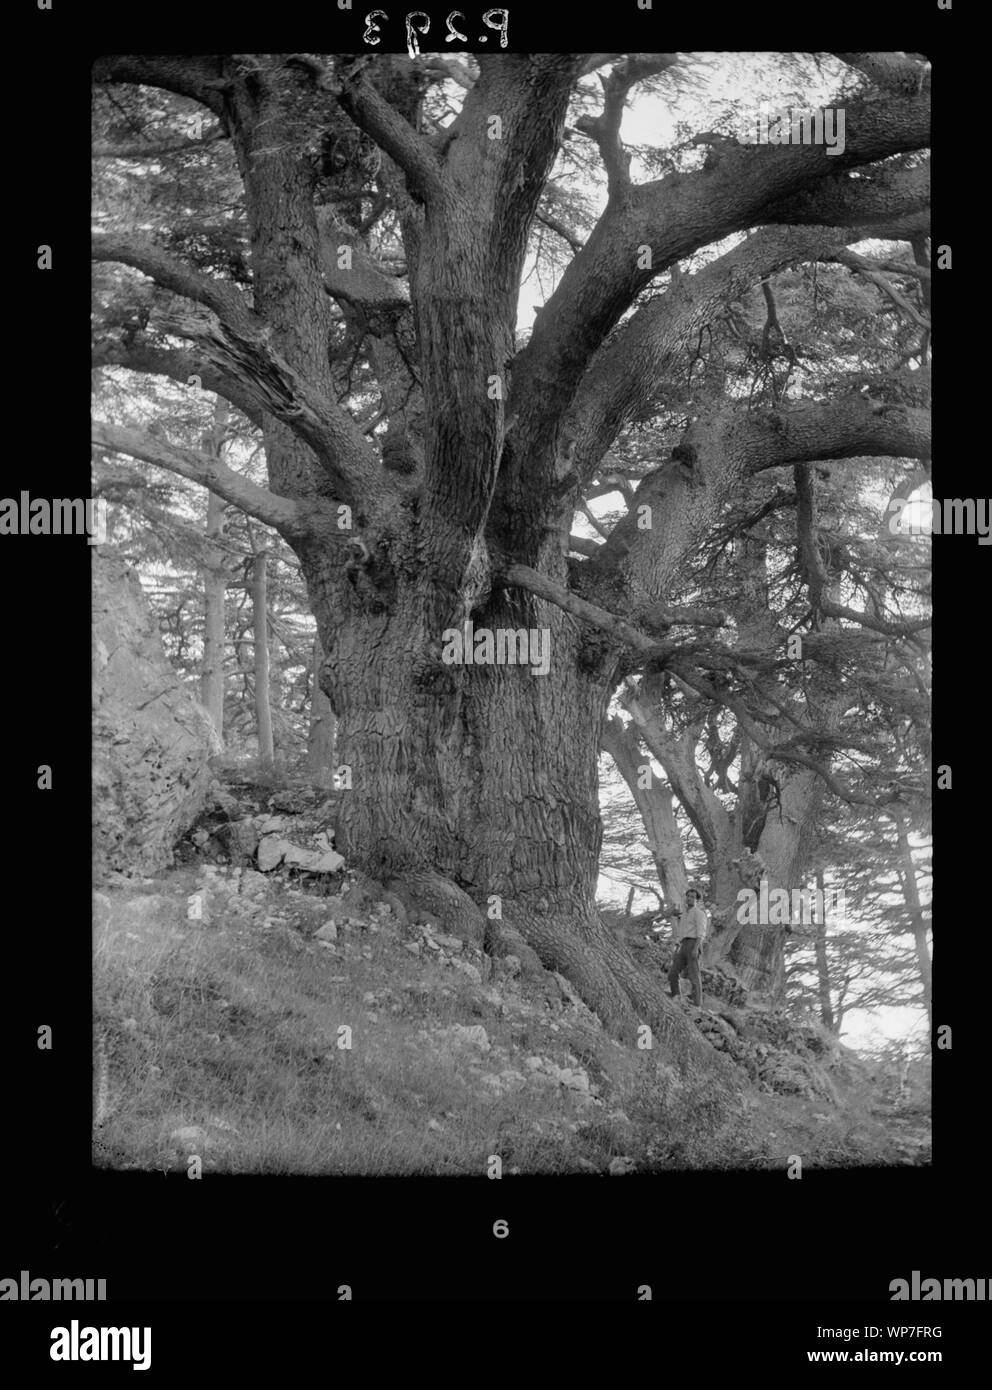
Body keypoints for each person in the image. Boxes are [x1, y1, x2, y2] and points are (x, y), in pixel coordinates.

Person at [667, 888, 708, 1007]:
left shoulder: (699, 914)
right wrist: (677, 945)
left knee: (694, 976)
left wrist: (696, 949)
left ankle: (697, 1005)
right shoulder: (684, 914)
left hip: (693, 944)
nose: (689, 898)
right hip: (683, 944)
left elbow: (701, 933)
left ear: (697, 900)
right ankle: (677, 997)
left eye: (692, 897)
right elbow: (681, 932)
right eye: (688, 896)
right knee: (673, 973)